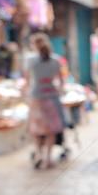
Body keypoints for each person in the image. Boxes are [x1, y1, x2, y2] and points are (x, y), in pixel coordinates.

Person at [24, 34, 64, 169]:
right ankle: (48, 158)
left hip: (36, 98)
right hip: (51, 97)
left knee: (36, 129)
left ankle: (39, 154)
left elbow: (27, 81)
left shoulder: (30, 60)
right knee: (50, 130)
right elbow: (61, 82)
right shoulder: (56, 60)